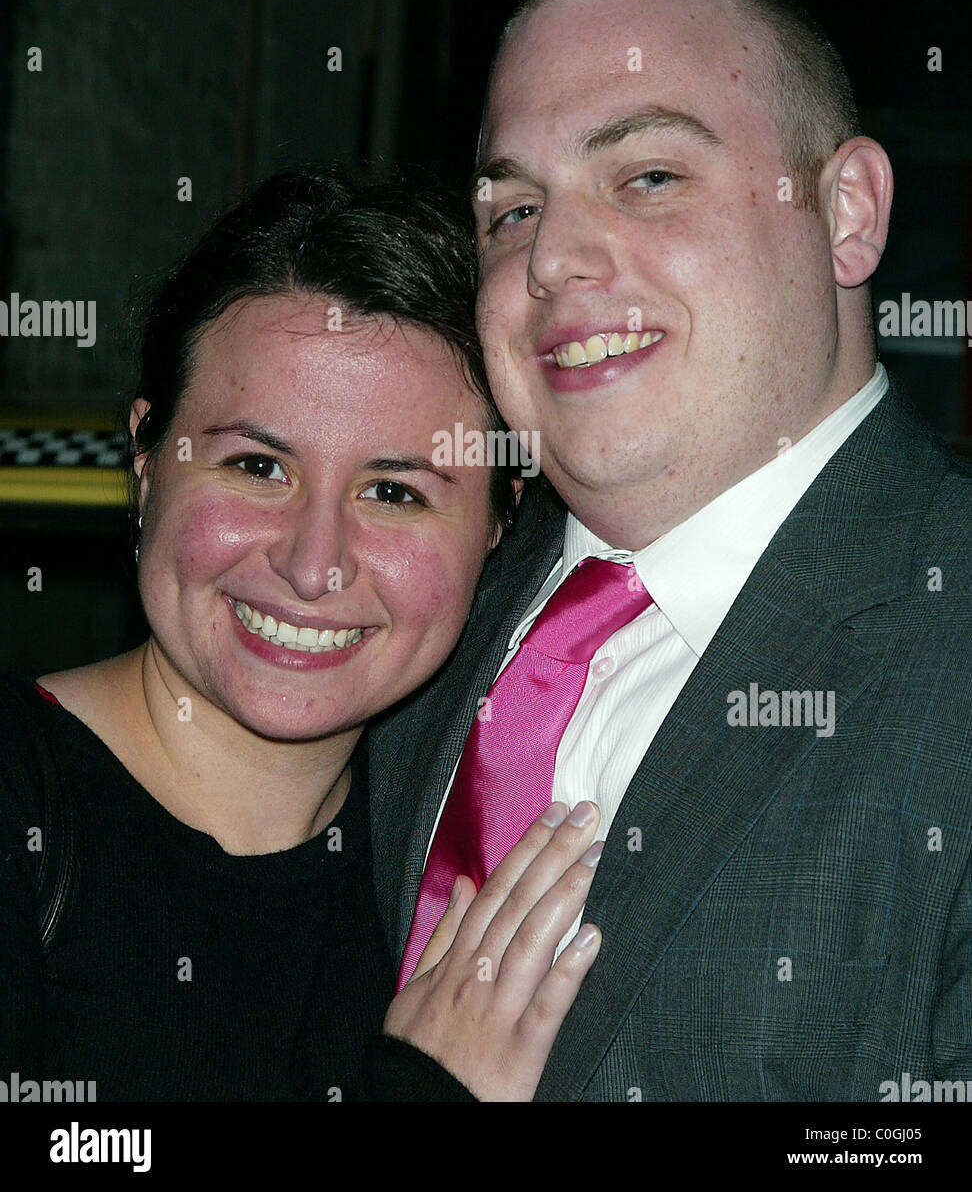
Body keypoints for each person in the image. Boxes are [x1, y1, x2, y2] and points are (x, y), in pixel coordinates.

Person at [369, 0, 972, 1101]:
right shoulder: (399, 613)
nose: (552, 259)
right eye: (514, 208)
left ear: (848, 213)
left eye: (647, 176)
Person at [0, 166, 605, 1103]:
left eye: (393, 491)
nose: (313, 563)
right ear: (147, 461)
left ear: (497, 520)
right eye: (256, 465)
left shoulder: (457, 864)